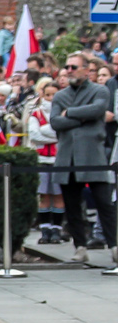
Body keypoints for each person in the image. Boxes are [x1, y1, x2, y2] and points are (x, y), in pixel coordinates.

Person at [52, 52, 117, 264]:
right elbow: (55, 122)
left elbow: (98, 109)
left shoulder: (100, 90)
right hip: (67, 157)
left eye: (73, 67)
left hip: (92, 155)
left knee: (104, 203)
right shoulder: (60, 95)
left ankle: (114, 245)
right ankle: (79, 246)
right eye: (67, 67)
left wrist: (69, 113)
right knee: (72, 206)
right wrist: (83, 118)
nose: (69, 70)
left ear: (86, 70)